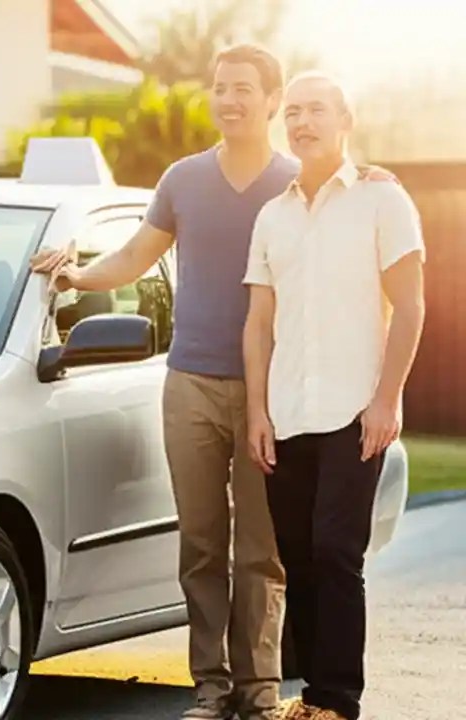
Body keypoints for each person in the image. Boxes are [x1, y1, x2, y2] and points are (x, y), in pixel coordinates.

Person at [32, 43, 298, 720]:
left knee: (261, 549)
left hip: (275, 393)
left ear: (271, 99)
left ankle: (260, 690)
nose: (229, 100)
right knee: (202, 542)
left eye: (243, 88)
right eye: (219, 88)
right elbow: (133, 254)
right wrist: (76, 275)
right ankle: (210, 687)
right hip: (192, 387)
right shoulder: (183, 180)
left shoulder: (297, 184)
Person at [242, 71, 426, 720]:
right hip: (286, 413)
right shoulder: (272, 216)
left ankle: (336, 702)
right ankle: (312, 699)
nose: (302, 121)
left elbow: (409, 307)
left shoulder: (383, 201)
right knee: (297, 556)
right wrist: (256, 411)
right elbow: (258, 324)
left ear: (345, 118)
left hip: (355, 410)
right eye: (292, 111)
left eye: (316, 109)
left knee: (336, 552)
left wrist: (387, 399)